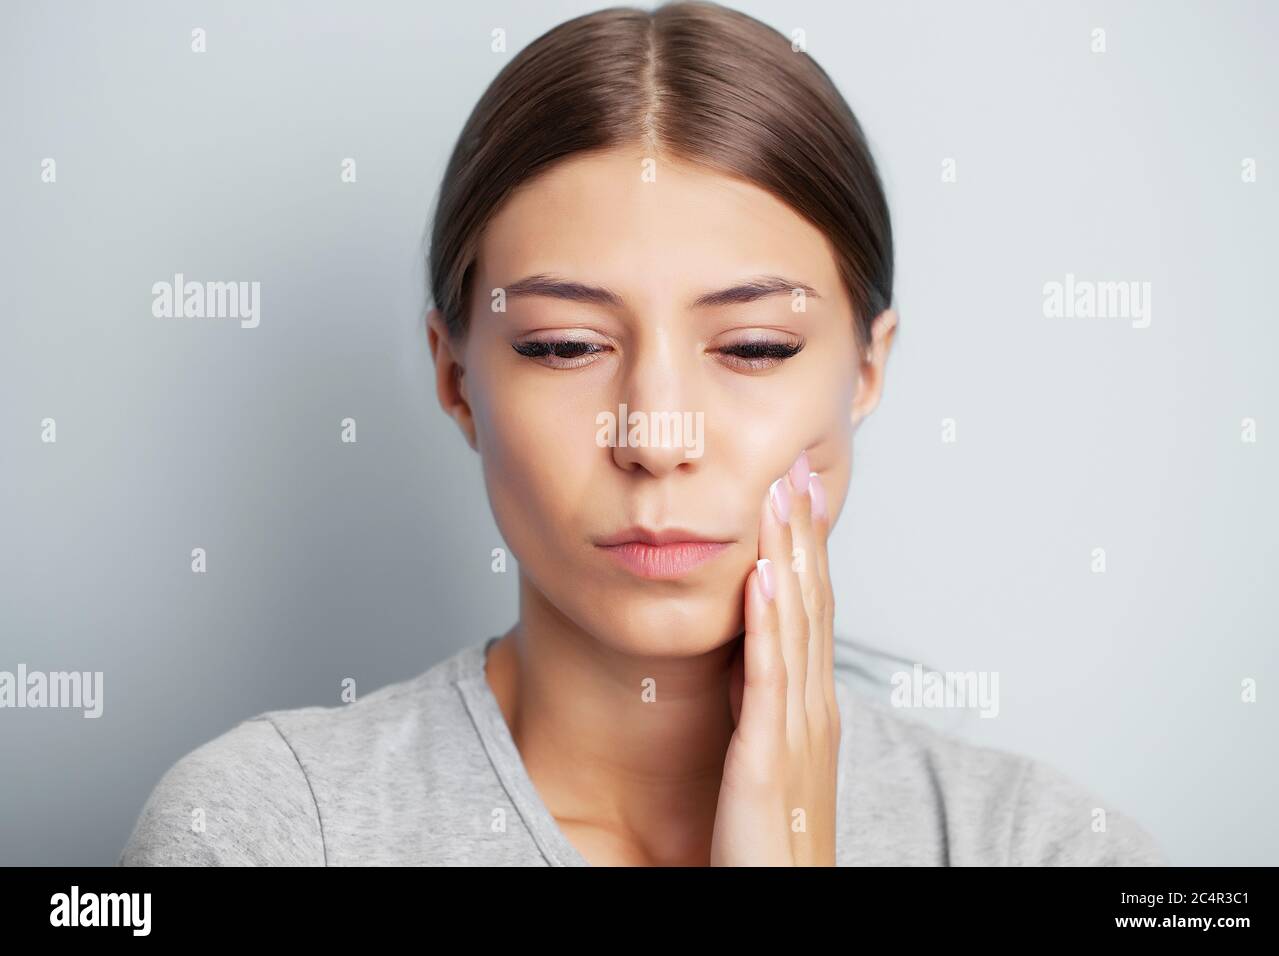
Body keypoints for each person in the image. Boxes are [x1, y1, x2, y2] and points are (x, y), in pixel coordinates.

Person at [120, 0, 1163, 866]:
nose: (655, 436)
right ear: (454, 377)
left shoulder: (1047, 848)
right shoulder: (267, 828)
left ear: (868, 369)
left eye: (753, 345)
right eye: (566, 345)